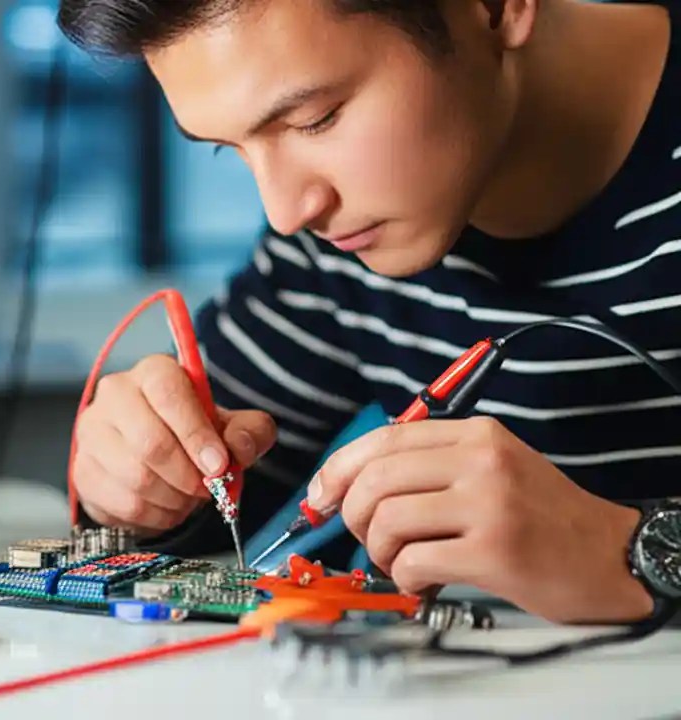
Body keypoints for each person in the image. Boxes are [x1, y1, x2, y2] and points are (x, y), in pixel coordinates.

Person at [59, 0, 681, 624]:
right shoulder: (337, 241)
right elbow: (205, 490)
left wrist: (630, 552)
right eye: (229, 149)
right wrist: (140, 474)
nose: (285, 210)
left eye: (315, 119)